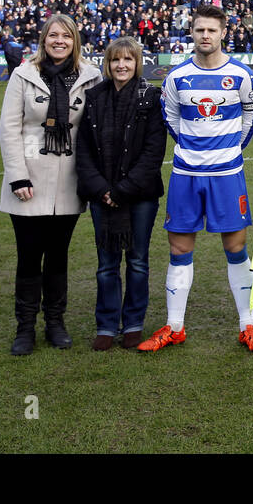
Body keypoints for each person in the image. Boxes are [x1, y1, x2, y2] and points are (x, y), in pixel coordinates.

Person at [140, 5, 253, 354]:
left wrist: (228, 150)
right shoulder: (176, 78)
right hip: (186, 173)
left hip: (227, 174)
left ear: (224, 33)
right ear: (191, 33)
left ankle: (248, 326)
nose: (205, 36)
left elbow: (250, 119)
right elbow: (171, 119)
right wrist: (192, 149)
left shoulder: (241, 75)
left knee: (236, 248)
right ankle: (174, 327)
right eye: (199, 30)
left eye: (211, 30)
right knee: (179, 249)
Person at [0, 13, 102, 355]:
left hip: (70, 180)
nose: (59, 41)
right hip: (28, 179)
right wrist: (17, 176)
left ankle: (55, 323)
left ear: (75, 41)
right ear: (44, 39)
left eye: (66, 36)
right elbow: (9, 129)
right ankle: (25, 328)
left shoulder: (90, 76)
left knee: (58, 257)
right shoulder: (23, 74)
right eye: (53, 35)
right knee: (29, 257)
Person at [76, 37, 167, 351]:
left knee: (138, 261)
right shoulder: (94, 97)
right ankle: (106, 324)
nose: (121, 65)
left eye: (128, 59)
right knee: (106, 264)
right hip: (102, 196)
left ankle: (133, 323)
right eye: (116, 60)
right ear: (108, 63)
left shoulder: (150, 97)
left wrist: (123, 190)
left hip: (140, 196)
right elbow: (84, 151)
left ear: (137, 62)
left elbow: (154, 152)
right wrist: (103, 190)